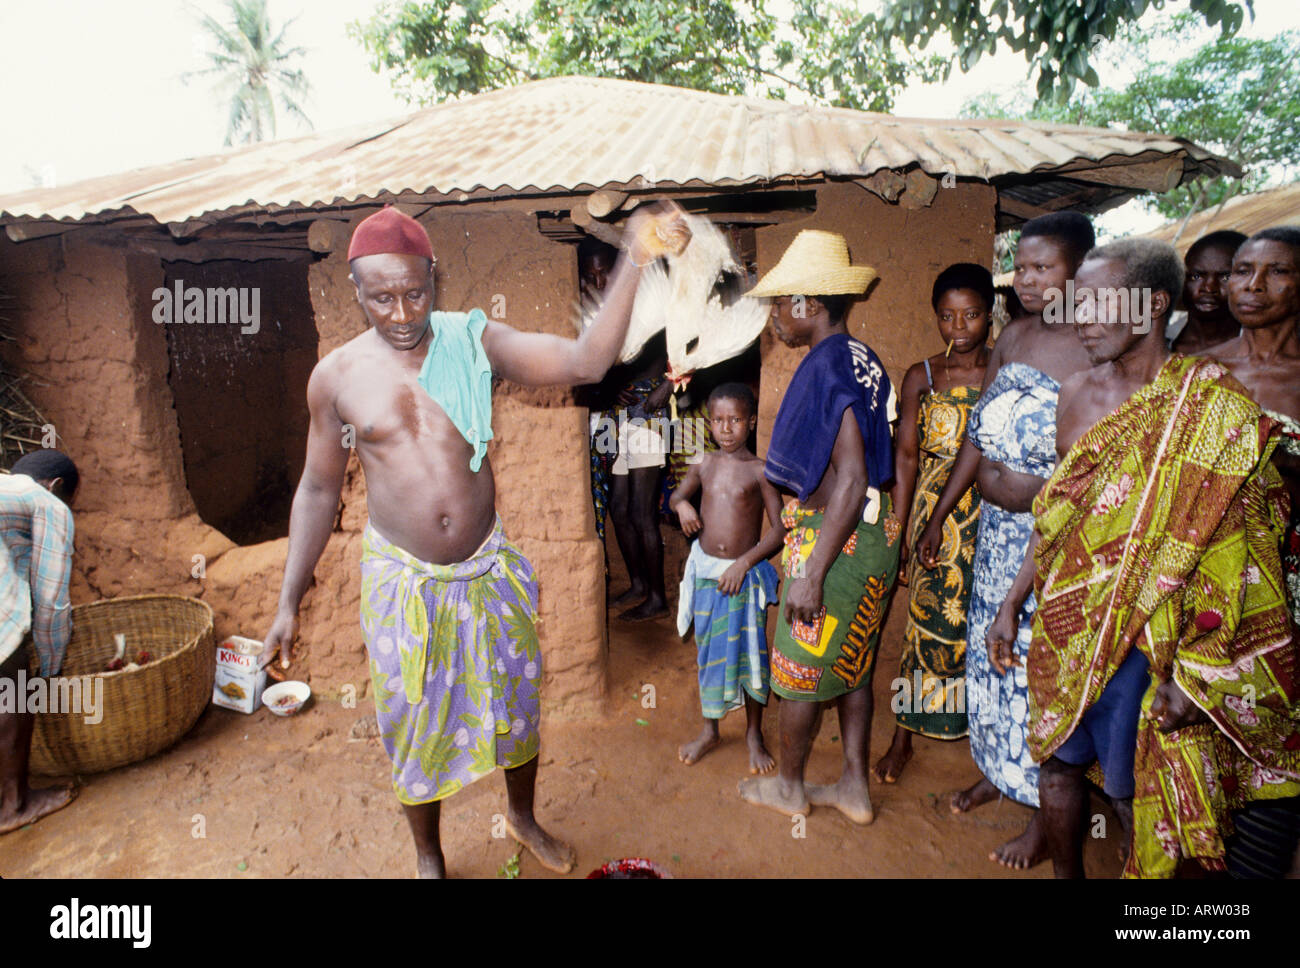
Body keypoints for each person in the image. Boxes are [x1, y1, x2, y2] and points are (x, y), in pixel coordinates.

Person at [263, 204, 690, 877]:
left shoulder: (473, 340)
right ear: (356, 291)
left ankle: (521, 817)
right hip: (403, 581)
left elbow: (585, 360)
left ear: (435, 277)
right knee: (412, 721)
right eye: (381, 298)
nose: (402, 313)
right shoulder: (337, 378)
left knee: (516, 706)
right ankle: (429, 856)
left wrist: (636, 254)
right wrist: (289, 599)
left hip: (486, 567)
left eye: (415, 292)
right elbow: (317, 490)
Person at [989, 237, 1300, 878]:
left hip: (1153, 642)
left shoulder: (1212, 408)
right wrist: (1015, 598)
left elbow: (1237, 558)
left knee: (1143, 789)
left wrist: (1194, 670)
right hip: (1067, 619)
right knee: (1058, 761)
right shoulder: (1074, 392)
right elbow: (1058, 514)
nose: (1082, 318)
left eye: (1100, 301)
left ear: (1154, 304)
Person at [916, 211, 1095, 868]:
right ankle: (1003, 776)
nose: (1026, 279)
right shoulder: (1014, 336)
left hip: (1047, 545)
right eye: (1021, 266)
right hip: (993, 535)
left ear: (1081, 269)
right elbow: (977, 437)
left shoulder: (1094, 345)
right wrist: (939, 513)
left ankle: (1046, 819)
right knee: (991, 665)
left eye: (1044, 267)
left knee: (1032, 673)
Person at [735, 230, 899, 826]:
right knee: (854, 662)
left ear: (808, 304)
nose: (776, 314)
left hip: (838, 540)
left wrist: (811, 573)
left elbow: (851, 479)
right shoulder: (864, 358)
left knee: (799, 675)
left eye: (781, 303)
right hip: (874, 537)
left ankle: (789, 786)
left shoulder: (826, 364)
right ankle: (854, 786)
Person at [874, 263, 992, 783]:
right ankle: (904, 734)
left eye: (970, 315)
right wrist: (902, 525)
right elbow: (905, 457)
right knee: (925, 624)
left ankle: (984, 739)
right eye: (947, 316)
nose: (959, 327)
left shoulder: (1002, 372)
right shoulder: (921, 376)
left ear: (991, 314)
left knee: (982, 625)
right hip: (933, 518)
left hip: (990, 514)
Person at [1206, 226, 1300, 877]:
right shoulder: (1204, 371)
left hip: (1292, 591)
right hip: (1214, 587)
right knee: (1210, 739)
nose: (1252, 287)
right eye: (1242, 270)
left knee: (1283, 738)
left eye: (1275, 273)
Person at [670, 382, 785, 773]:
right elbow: (675, 497)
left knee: (750, 655)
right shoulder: (703, 462)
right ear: (709, 422)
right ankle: (710, 729)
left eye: (735, 419)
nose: (726, 428)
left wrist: (745, 563)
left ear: (751, 422)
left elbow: (779, 529)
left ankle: (754, 733)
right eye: (718, 420)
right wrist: (683, 504)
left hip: (740, 577)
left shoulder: (760, 471)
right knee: (709, 653)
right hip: (707, 576)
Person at [0, 450, 79, 835]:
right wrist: (49, 669)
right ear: (56, 487)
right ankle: (12, 805)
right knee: (15, 693)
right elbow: (51, 601)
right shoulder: (47, 503)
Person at [1168, 230, 1247, 353]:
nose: (1208, 289)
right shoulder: (1162, 344)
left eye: (1226, 277)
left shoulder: (1264, 349)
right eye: (1196, 277)